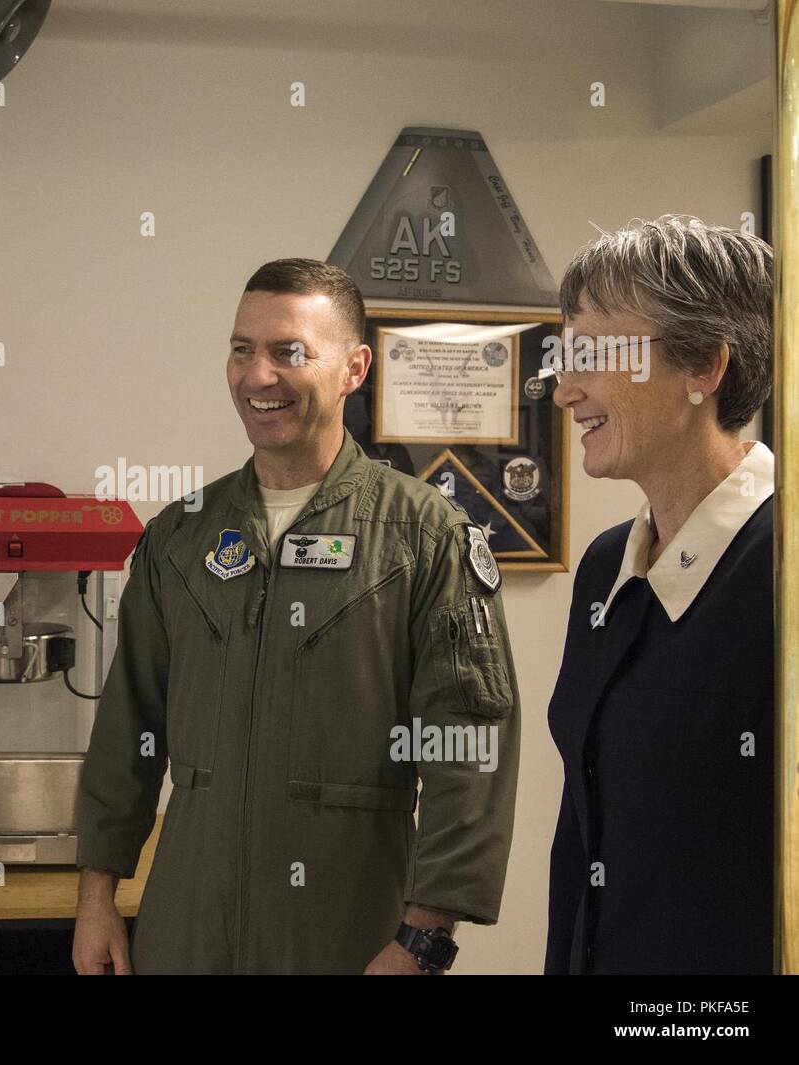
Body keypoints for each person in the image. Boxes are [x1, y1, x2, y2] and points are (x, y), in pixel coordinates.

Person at [72, 258, 521, 974]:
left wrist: (423, 938)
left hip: (348, 934)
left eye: (289, 352)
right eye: (242, 349)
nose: (258, 376)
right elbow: (129, 728)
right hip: (187, 929)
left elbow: (466, 750)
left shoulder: (423, 536)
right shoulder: (180, 538)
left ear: (353, 368)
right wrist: (97, 897)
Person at [545, 216, 775, 974]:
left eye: (593, 355)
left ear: (704, 365)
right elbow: (584, 838)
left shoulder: (786, 569)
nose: (564, 388)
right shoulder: (609, 565)